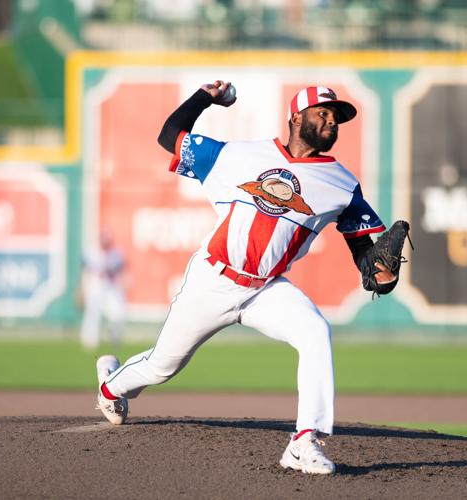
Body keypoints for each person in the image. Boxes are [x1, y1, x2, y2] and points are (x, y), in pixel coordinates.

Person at [94, 81, 398, 475]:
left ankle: (304, 441)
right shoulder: (238, 155)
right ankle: (110, 386)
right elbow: (169, 136)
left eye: (336, 118)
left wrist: (380, 273)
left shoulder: (341, 184)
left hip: (265, 289)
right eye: (323, 113)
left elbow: (363, 249)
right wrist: (205, 97)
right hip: (212, 279)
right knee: (162, 366)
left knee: (314, 331)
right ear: (296, 118)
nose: (331, 121)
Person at [80, 230, 127, 349]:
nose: (105, 243)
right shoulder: (91, 252)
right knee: (92, 314)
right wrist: (81, 290)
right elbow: (85, 271)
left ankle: (114, 337)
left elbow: (119, 270)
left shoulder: (116, 253)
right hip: (95, 285)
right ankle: (89, 343)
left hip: (110, 286)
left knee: (119, 313)